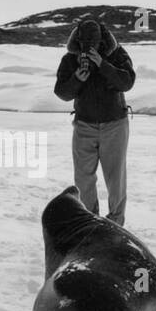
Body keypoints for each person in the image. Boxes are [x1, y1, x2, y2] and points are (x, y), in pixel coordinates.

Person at [53, 16, 135, 225]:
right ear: (78, 42)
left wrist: (103, 65)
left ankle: (116, 221)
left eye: (94, 45)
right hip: (84, 124)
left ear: (102, 41)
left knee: (115, 177)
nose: (89, 49)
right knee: (83, 177)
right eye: (84, 45)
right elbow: (61, 92)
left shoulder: (117, 54)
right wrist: (77, 79)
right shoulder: (69, 59)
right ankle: (89, 220)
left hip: (114, 124)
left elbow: (127, 82)